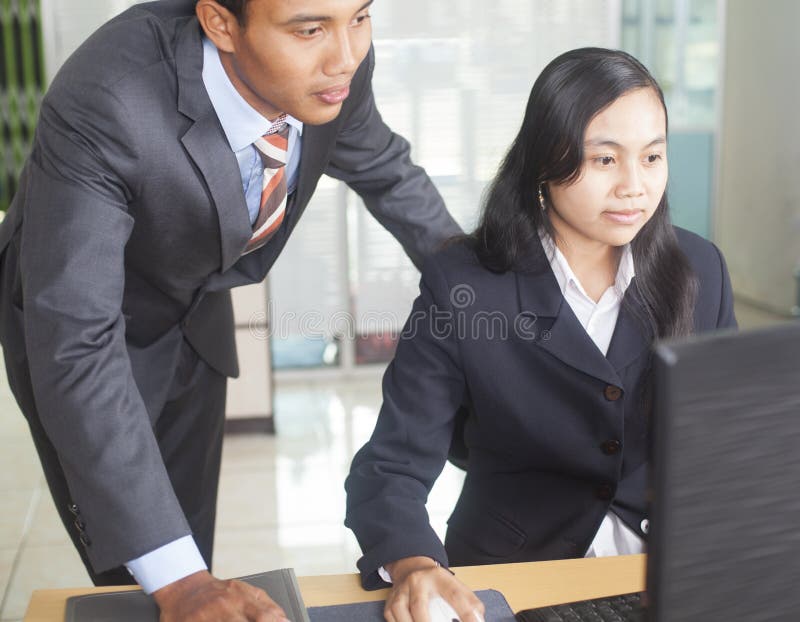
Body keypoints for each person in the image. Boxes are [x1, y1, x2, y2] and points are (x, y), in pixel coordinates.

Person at [0, 0, 460, 619]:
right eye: (310, 29)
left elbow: (386, 171)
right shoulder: (109, 98)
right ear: (220, 23)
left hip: (196, 307)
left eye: (360, 17)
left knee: (190, 538)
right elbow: (76, 339)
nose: (346, 56)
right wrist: (180, 581)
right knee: (144, 568)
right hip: (87, 326)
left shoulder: (336, 64)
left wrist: (489, 303)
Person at [344, 47, 737, 622]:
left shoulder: (700, 269)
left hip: (663, 572)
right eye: (605, 160)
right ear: (545, 161)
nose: (634, 186)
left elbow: (725, 445)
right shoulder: (464, 285)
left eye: (652, 157)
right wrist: (414, 564)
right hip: (514, 575)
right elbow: (391, 466)